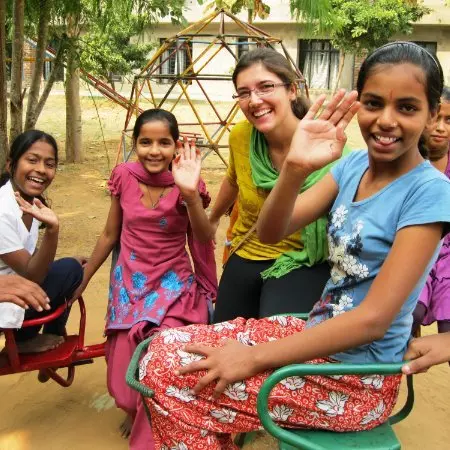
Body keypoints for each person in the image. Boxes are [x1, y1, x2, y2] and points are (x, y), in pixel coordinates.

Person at [137, 42, 450, 449]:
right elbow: (272, 232)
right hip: (317, 334)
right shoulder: (353, 166)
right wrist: (296, 167)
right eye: (373, 103)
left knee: (168, 376)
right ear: (357, 105)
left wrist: (252, 357)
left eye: (407, 108)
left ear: (430, 116)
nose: (385, 121)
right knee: (159, 349)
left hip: (356, 380)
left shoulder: (428, 193)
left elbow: (373, 320)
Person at [71, 109, 217, 449]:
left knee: (165, 352)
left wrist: (190, 192)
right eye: (145, 142)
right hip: (130, 284)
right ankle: (135, 406)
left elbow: (203, 234)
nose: (154, 151)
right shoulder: (123, 175)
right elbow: (110, 233)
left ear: (176, 146)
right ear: (134, 143)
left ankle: (152, 415)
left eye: (164, 143)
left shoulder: (187, 179)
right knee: (122, 368)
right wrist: (84, 277)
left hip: (173, 283)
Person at [210, 48, 347, 322]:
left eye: (266, 87)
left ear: (292, 90)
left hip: (302, 259)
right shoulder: (240, 136)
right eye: (244, 92)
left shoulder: (328, 149)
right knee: (220, 339)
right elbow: (233, 180)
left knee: (275, 343)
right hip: (247, 252)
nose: (254, 100)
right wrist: (212, 217)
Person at [0, 130, 83, 355]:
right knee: (69, 269)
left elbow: (28, 253)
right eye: (32, 160)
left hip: (14, 289)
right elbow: (32, 273)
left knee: (70, 268)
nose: (41, 170)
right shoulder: (2, 210)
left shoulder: (29, 203)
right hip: (5, 296)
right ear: (11, 165)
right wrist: (53, 231)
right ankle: (22, 342)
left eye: (49, 164)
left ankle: (53, 332)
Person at [412, 86, 450, 336]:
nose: (440, 127)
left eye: (449, 120)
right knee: (407, 313)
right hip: (413, 248)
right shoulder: (404, 162)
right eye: (435, 118)